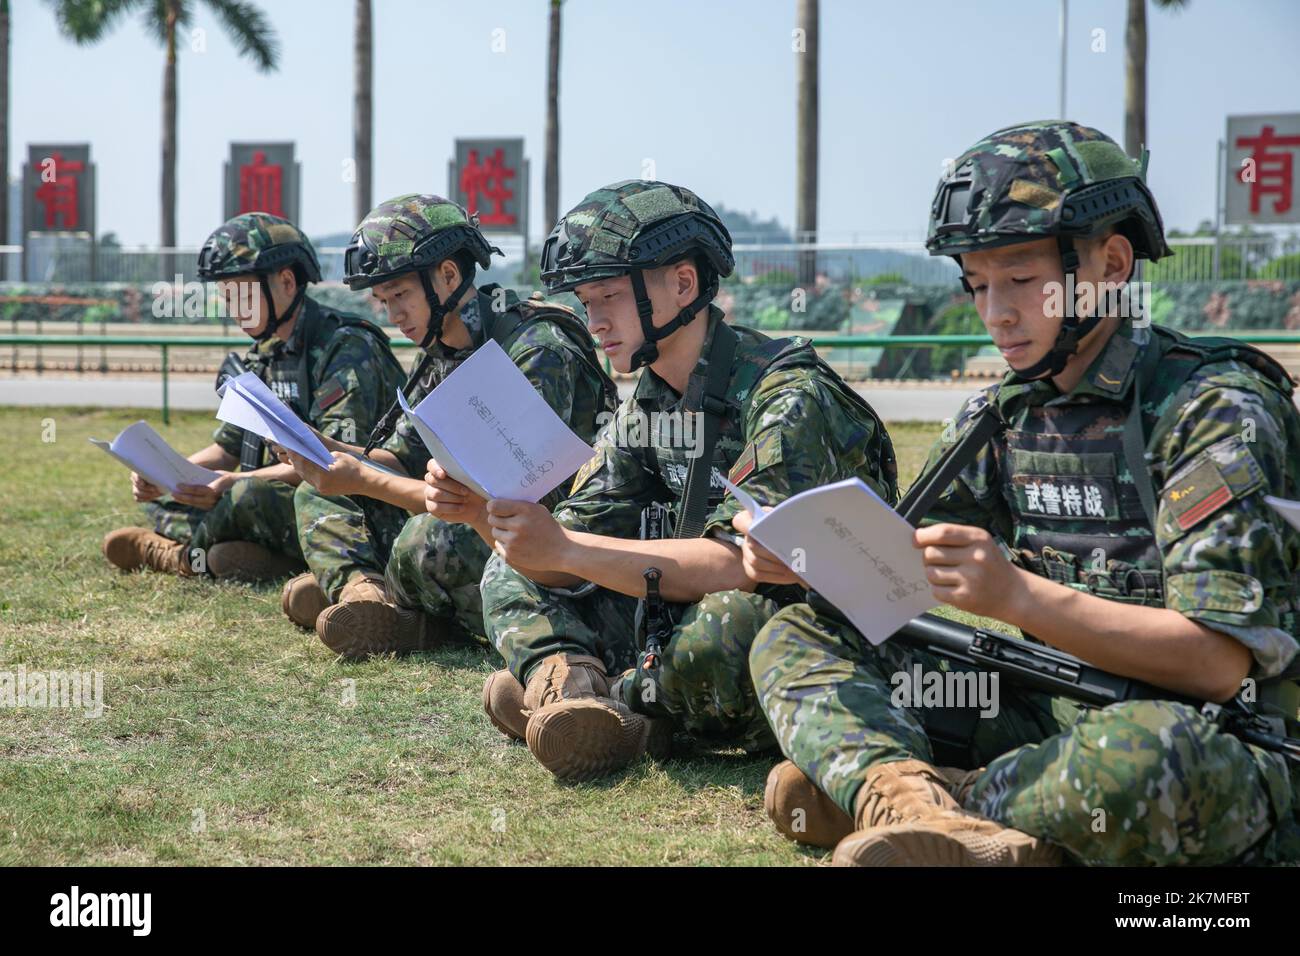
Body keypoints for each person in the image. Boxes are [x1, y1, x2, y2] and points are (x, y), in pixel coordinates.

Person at [748, 121, 1300, 866]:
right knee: (797, 632)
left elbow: (1217, 663)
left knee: (1150, 759)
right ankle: (905, 800)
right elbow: (894, 567)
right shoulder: (1003, 413)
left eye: (1020, 278)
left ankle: (941, 800)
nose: (995, 312)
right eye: (977, 284)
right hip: (1044, 710)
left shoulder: (1210, 407)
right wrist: (809, 556)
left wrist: (1016, 598)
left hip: (1210, 734)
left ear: (1108, 264)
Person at [473, 180, 898, 780]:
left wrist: (566, 549)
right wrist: (505, 527)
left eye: (611, 297)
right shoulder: (648, 403)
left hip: (807, 632)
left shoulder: (787, 396)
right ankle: (568, 680)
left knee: (726, 627)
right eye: (586, 302)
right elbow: (576, 536)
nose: (594, 321)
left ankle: (618, 708)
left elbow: (739, 565)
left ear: (682, 284)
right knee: (507, 563)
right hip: (679, 607)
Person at [279, 194, 617, 658]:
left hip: (541, 534)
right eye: (382, 300)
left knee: (428, 539)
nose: (392, 314)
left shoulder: (535, 347)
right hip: (467, 511)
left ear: (449, 277)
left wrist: (360, 476)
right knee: (316, 489)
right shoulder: (441, 350)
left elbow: (493, 502)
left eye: (400, 295)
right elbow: (399, 459)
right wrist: (324, 448)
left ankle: (394, 608)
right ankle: (363, 592)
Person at [102, 212, 404, 582]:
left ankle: (181, 557)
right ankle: (259, 560)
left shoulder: (347, 348)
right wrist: (164, 476)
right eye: (227, 296)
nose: (235, 309)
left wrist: (231, 484)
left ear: (287, 282)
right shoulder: (263, 355)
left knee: (246, 496)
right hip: (272, 495)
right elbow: (227, 449)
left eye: (242, 294)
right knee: (176, 501)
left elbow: (335, 462)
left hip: (345, 505)